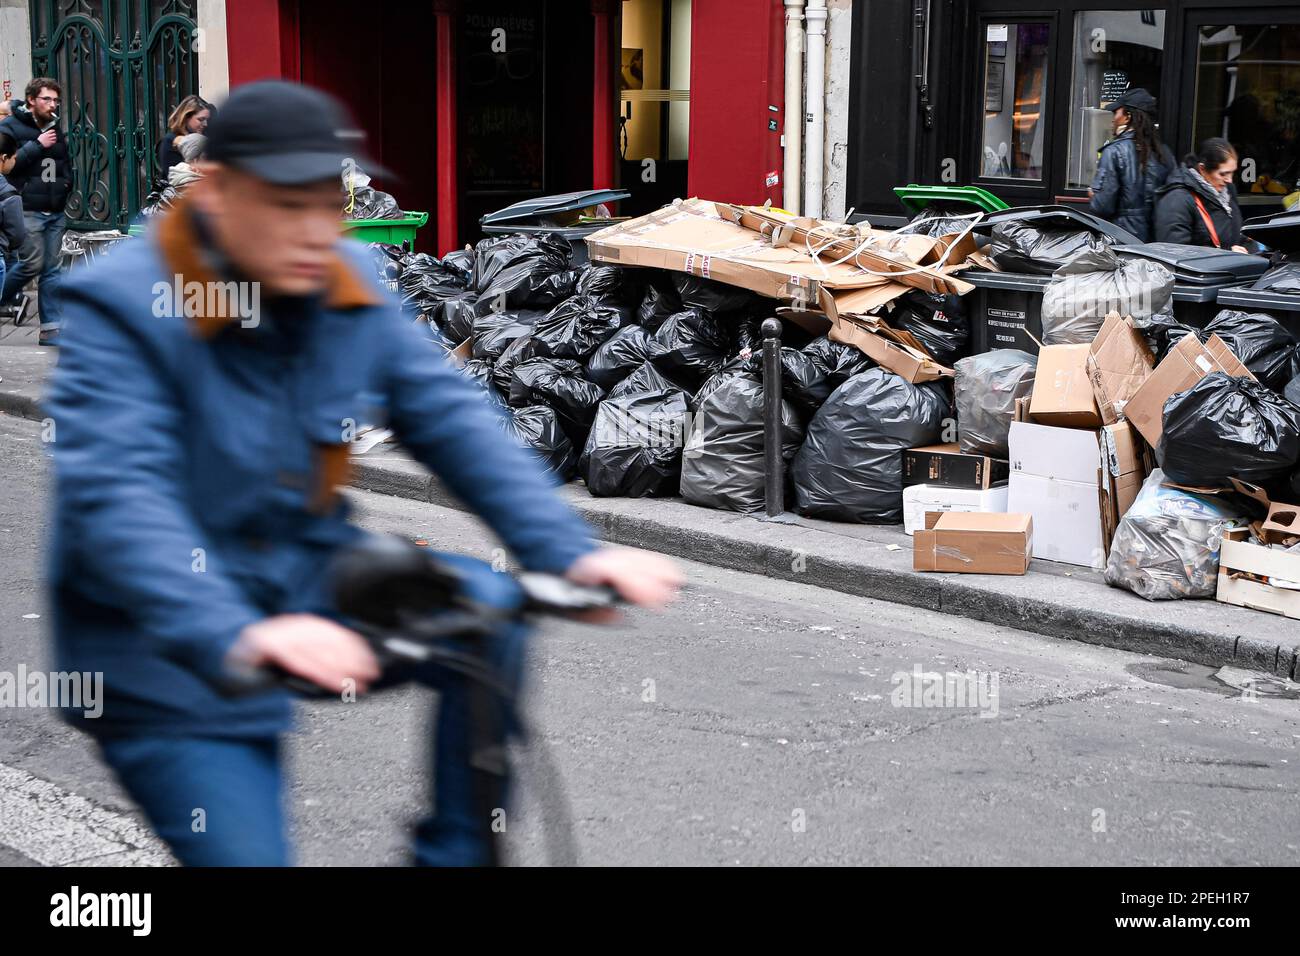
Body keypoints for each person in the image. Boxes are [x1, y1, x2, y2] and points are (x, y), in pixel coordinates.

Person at [46, 80, 683, 867]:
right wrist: (237, 630)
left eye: (327, 199)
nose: (317, 229)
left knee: (486, 610)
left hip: (294, 565)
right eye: (286, 202)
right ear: (216, 192)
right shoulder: (124, 302)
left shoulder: (338, 276)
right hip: (157, 633)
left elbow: (447, 415)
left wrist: (569, 549)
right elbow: (119, 497)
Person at [0, 77, 72, 345]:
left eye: (56, 100)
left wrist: (66, 183)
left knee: (52, 268)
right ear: (31, 100)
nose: (53, 104)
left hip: (54, 207)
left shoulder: (55, 126)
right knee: (33, 263)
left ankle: (50, 329)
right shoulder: (10, 127)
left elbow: (62, 161)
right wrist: (37, 144)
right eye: (47, 99)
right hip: (26, 206)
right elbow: (7, 166)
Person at [1088, 88, 1174, 242]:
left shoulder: (1113, 151)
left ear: (1127, 117)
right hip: (1157, 242)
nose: (1113, 118)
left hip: (1123, 240)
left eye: (1116, 113)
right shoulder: (1164, 153)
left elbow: (1103, 206)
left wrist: (1094, 196)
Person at [1154, 138, 1250, 252]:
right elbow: (1173, 252)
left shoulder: (1227, 191)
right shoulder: (1177, 199)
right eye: (1223, 174)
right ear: (1202, 169)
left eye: (1233, 172)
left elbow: (1231, 233)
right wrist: (1227, 253)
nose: (1229, 180)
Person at [0, 133, 28, 298]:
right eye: (14, 158)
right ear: (4, 157)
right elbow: (17, 235)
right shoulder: (8, 194)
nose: (15, 162)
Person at [158, 94, 211, 176]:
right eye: (200, 119)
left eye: (206, 120)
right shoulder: (171, 141)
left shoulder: (204, 136)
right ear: (186, 117)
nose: (205, 124)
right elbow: (174, 176)